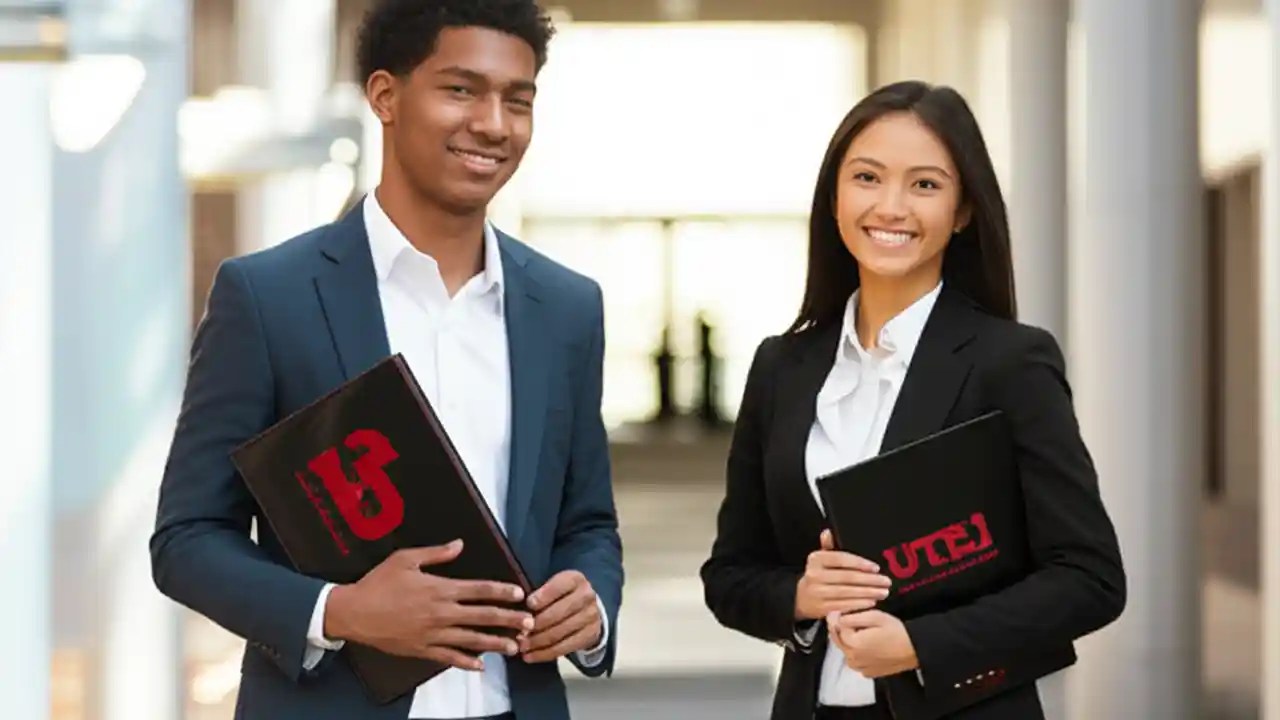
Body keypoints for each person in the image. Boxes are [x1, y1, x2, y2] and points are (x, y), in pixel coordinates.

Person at [150, 2, 623, 719]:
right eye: (460, 90)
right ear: (385, 96)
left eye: (517, 100)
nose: (494, 123)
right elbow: (187, 540)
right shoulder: (269, 297)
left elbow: (586, 522)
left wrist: (590, 603)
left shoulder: (566, 309)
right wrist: (338, 610)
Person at [699, 80, 1125, 720]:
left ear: (961, 210)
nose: (891, 206)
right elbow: (730, 576)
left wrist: (921, 644)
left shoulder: (1010, 363)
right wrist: (801, 598)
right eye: (867, 177)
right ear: (835, 198)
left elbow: (1090, 579)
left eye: (924, 185)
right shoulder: (782, 367)